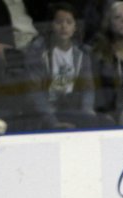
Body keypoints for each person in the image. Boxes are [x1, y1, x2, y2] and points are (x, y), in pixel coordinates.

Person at [24, 1, 98, 129]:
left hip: (74, 111)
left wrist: (87, 114)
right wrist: (52, 122)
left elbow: (88, 88)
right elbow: (36, 92)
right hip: (47, 113)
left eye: (69, 22)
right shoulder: (38, 53)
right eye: (59, 22)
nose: (64, 26)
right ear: (51, 25)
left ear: (75, 27)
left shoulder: (82, 54)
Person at [91, 1, 123, 126]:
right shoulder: (98, 56)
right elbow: (96, 95)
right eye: (118, 17)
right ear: (109, 23)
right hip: (106, 116)